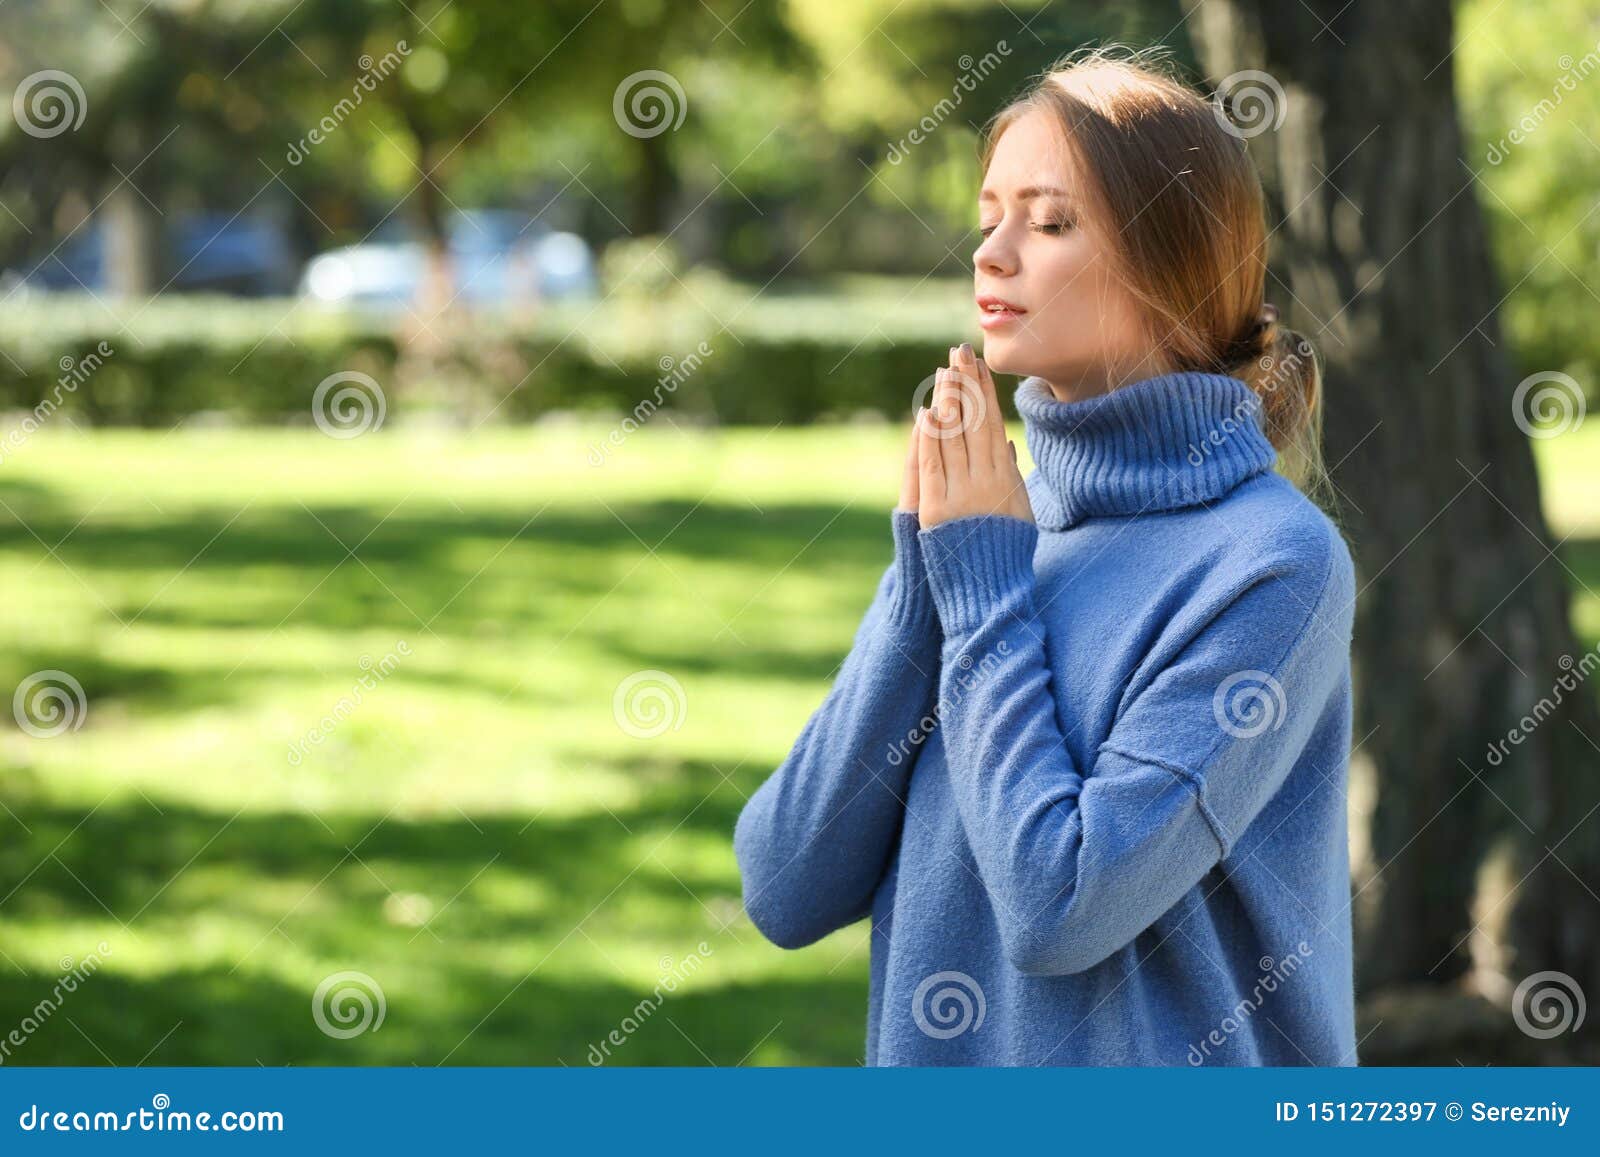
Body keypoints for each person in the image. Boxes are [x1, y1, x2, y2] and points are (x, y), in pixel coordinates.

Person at [734, 48, 1357, 1066]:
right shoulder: (995, 528)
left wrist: (980, 587)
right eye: (992, 215)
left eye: (1051, 221)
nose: (992, 251)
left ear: (1174, 269)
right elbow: (783, 882)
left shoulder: (1272, 564)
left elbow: (1062, 905)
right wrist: (921, 584)